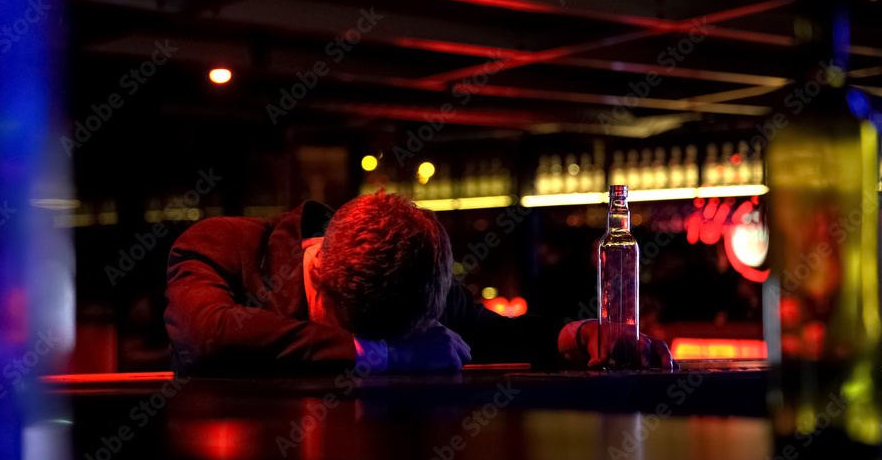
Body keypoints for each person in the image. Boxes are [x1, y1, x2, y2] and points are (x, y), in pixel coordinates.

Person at [164, 190, 674, 374]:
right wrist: (383, 355)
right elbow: (206, 336)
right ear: (318, 272)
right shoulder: (219, 247)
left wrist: (581, 334)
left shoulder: (408, 278)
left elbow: (487, 331)